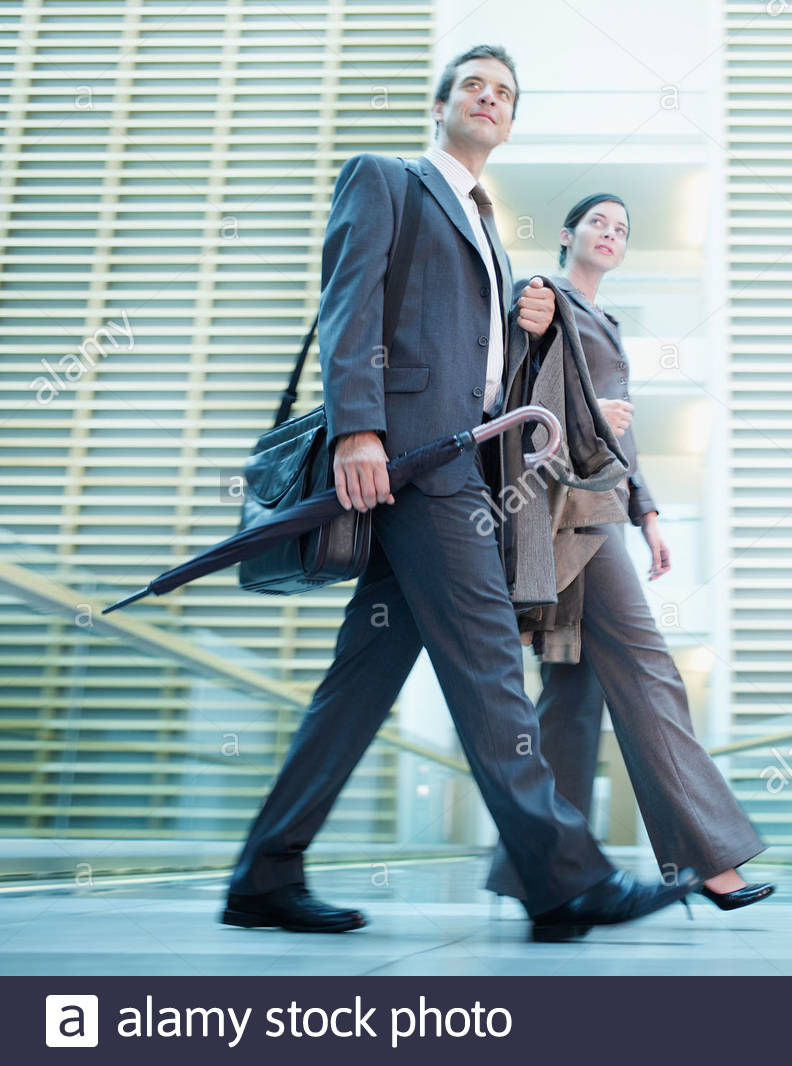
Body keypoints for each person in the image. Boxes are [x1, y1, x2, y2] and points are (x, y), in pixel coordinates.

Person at [221, 45, 698, 943]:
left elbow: (479, 375)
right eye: (474, 86)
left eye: (505, 94)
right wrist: (358, 426)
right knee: (487, 665)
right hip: (409, 465)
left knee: (358, 685)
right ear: (441, 104)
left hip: (454, 466)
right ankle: (565, 879)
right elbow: (348, 303)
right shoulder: (388, 177)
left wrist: (530, 331)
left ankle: (265, 871)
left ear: (511, 123)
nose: (489, 99)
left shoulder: (488, 230)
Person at [484, 193, 775, 912]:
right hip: (561, 515)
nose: (610, 234)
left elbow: (624, 438)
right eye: (597, 223)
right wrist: (590, 416)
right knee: (648, 669)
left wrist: (647, 514)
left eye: (621, 228)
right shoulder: (540, 296)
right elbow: (512, 397)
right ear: (567, 235)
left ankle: (536, 875)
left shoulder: (605, 321)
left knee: (574, 699)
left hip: (602, 510)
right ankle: (708, 859)